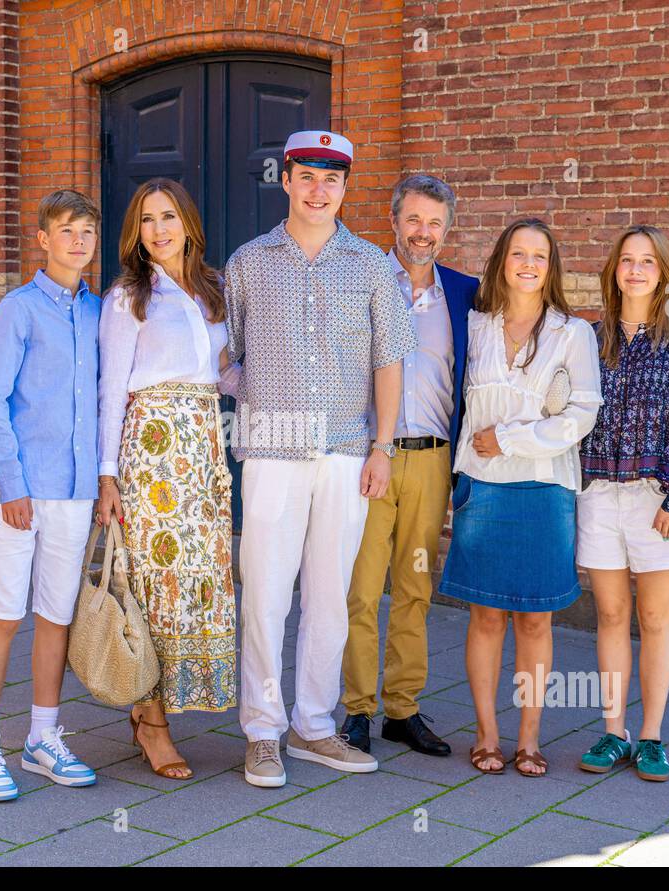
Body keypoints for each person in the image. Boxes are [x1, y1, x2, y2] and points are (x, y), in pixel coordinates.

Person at [225, 129, 416, 788]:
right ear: (286, 179)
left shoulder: (370, 265)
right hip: (271, 449)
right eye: (307, 176)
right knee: (266, 597)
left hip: (344, 451)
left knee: (331, 598)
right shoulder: (248, 262)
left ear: (345, 187)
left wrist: (382, 447)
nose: (318, 190)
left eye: (332, 179)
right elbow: (232, 353)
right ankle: (262, 731)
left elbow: (389, 361)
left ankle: (312, 724)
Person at [438, 217, 601, 777]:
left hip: (545, 488)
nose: (528, 264)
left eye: (539, 256)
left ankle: (529, 738)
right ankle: (486, 734)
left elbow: (582, 414)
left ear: (550, 266)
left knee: (535, 620)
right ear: (501, 261)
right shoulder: (476, 324)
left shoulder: (571, 333)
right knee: (485, 616)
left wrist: (509, 437)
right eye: (517, 254)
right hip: (483, 487)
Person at [95, 178, 241, 780]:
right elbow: (110, 391)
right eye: (147, 219)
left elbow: (223, 376)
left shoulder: (212, 290)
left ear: (188, 222)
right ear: (137, 230)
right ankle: (151, 720)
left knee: (197, 580)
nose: (159, 229)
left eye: (169, 216)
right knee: (154, 582)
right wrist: (108, 478)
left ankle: (160, 705)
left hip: (204, 456)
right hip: (151, 455)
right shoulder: (130, 296)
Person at [0, 189, 102, 801]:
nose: (78, 240)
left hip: (74, 492)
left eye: (87, 232)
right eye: (66, 230)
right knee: (4, 617)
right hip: (20, 489)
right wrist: (11, 484)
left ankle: (43, 737)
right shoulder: (16, 310)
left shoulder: (102, 313)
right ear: (43, 239)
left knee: (56, 618)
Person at [339, 174, 477, 757]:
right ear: (394, 221)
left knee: (416, 588)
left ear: (447, 231)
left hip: (432, 460)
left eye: (435, 223)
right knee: (362, 589)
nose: (423, 233)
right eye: (414, 220)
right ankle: (355, 711)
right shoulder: (363, 279)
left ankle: (403, 707)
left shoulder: (465, 293)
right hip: (373, 457)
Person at [575, 225, 669, 783]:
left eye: (647, 262)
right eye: (627, 261)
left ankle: (653, 737)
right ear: (614, 270)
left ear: (663, 274)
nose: (635, 270)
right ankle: (615, 732)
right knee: (609, 615)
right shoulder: (589, 338)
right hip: (598, 494)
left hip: (658, 498)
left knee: (654, 618)